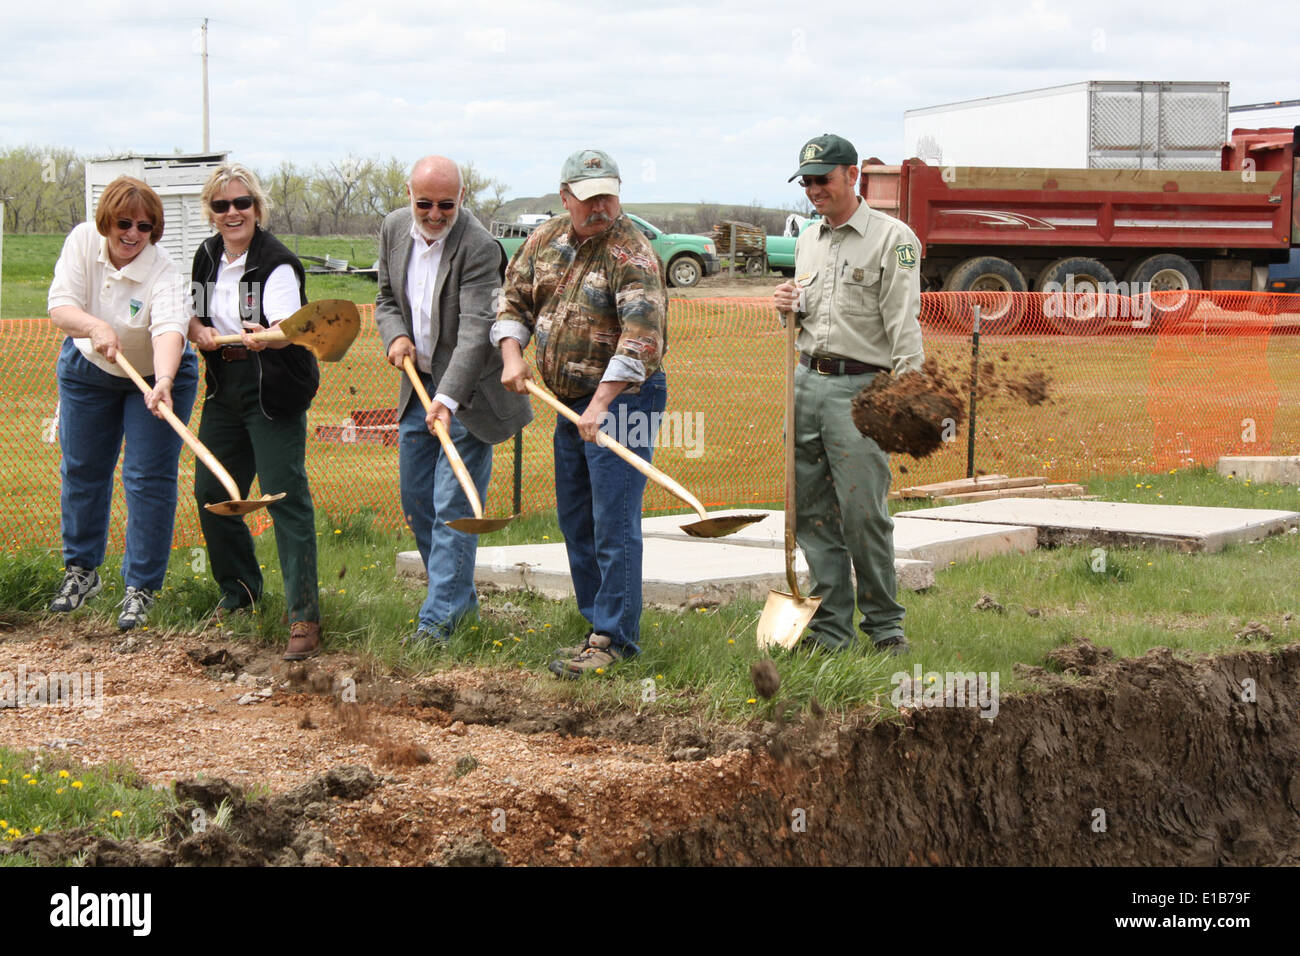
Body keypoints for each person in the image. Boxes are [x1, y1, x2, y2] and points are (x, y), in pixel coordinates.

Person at [494, 148, 668, 679]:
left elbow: (643, 337)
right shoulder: (544, 241)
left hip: (623, 400)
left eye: (609, 196)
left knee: (613, 521)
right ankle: (597, 625)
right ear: (565, 197)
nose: (601, 207)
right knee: (576, 518)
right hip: (568, 404)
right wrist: (512, 354)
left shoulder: (631, 253)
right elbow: (514, 300)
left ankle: (615, 640)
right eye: (590, 198)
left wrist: (600, 405)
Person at [772, 133, 924, 656]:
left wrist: (908, 394)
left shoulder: (893, 238)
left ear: (852, 175)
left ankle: (885, 628)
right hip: (806, 382)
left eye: (824, 179)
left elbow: (904, 323)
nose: (815, 190)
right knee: (811, 515)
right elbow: (807, 315)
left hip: (863, 392)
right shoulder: (808, 240)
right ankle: (830, 630)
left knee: (863, 514)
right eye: (807, 182)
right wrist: (786, 304)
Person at [375, 155, 532, 646]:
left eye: (447, 203)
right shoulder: (394, 229)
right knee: (418, 502)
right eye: (425, 203)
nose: (436, 214)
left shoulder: (479, 246)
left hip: (467, 397)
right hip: (416, 386)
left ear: (462, 197)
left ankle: (437, 623)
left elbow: (474, 334)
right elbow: (383, 298)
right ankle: (459, 607)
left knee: (452, 507)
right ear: (409, 196)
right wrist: (395, 335)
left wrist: (445, 399)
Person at [47, 176, 199, 630]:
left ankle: (141, 588)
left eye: (145, 226)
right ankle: (81, 571)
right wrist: (93, 326)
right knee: (83, 468)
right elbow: (60, 307)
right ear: (107, 222)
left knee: (147, 478)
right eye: (124, 224)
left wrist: (165, 380)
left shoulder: (164, 270)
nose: (133, 234)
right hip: (88, 370)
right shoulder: (81, 242)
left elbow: (171, 326)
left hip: (153, 375)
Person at [187, 163, 322, 661]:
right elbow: (197, 311)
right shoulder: (205, 256)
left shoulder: (277, 264)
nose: (232, 213)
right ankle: (239, 591)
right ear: (211, 212)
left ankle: (304, 617)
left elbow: (290, 327)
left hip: (273, 388)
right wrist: (196, 327)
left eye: (241, 203)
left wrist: (268, 334)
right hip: (225, 386)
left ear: (257, 208)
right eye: (221, 206)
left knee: (284, 496)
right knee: (211, 492)